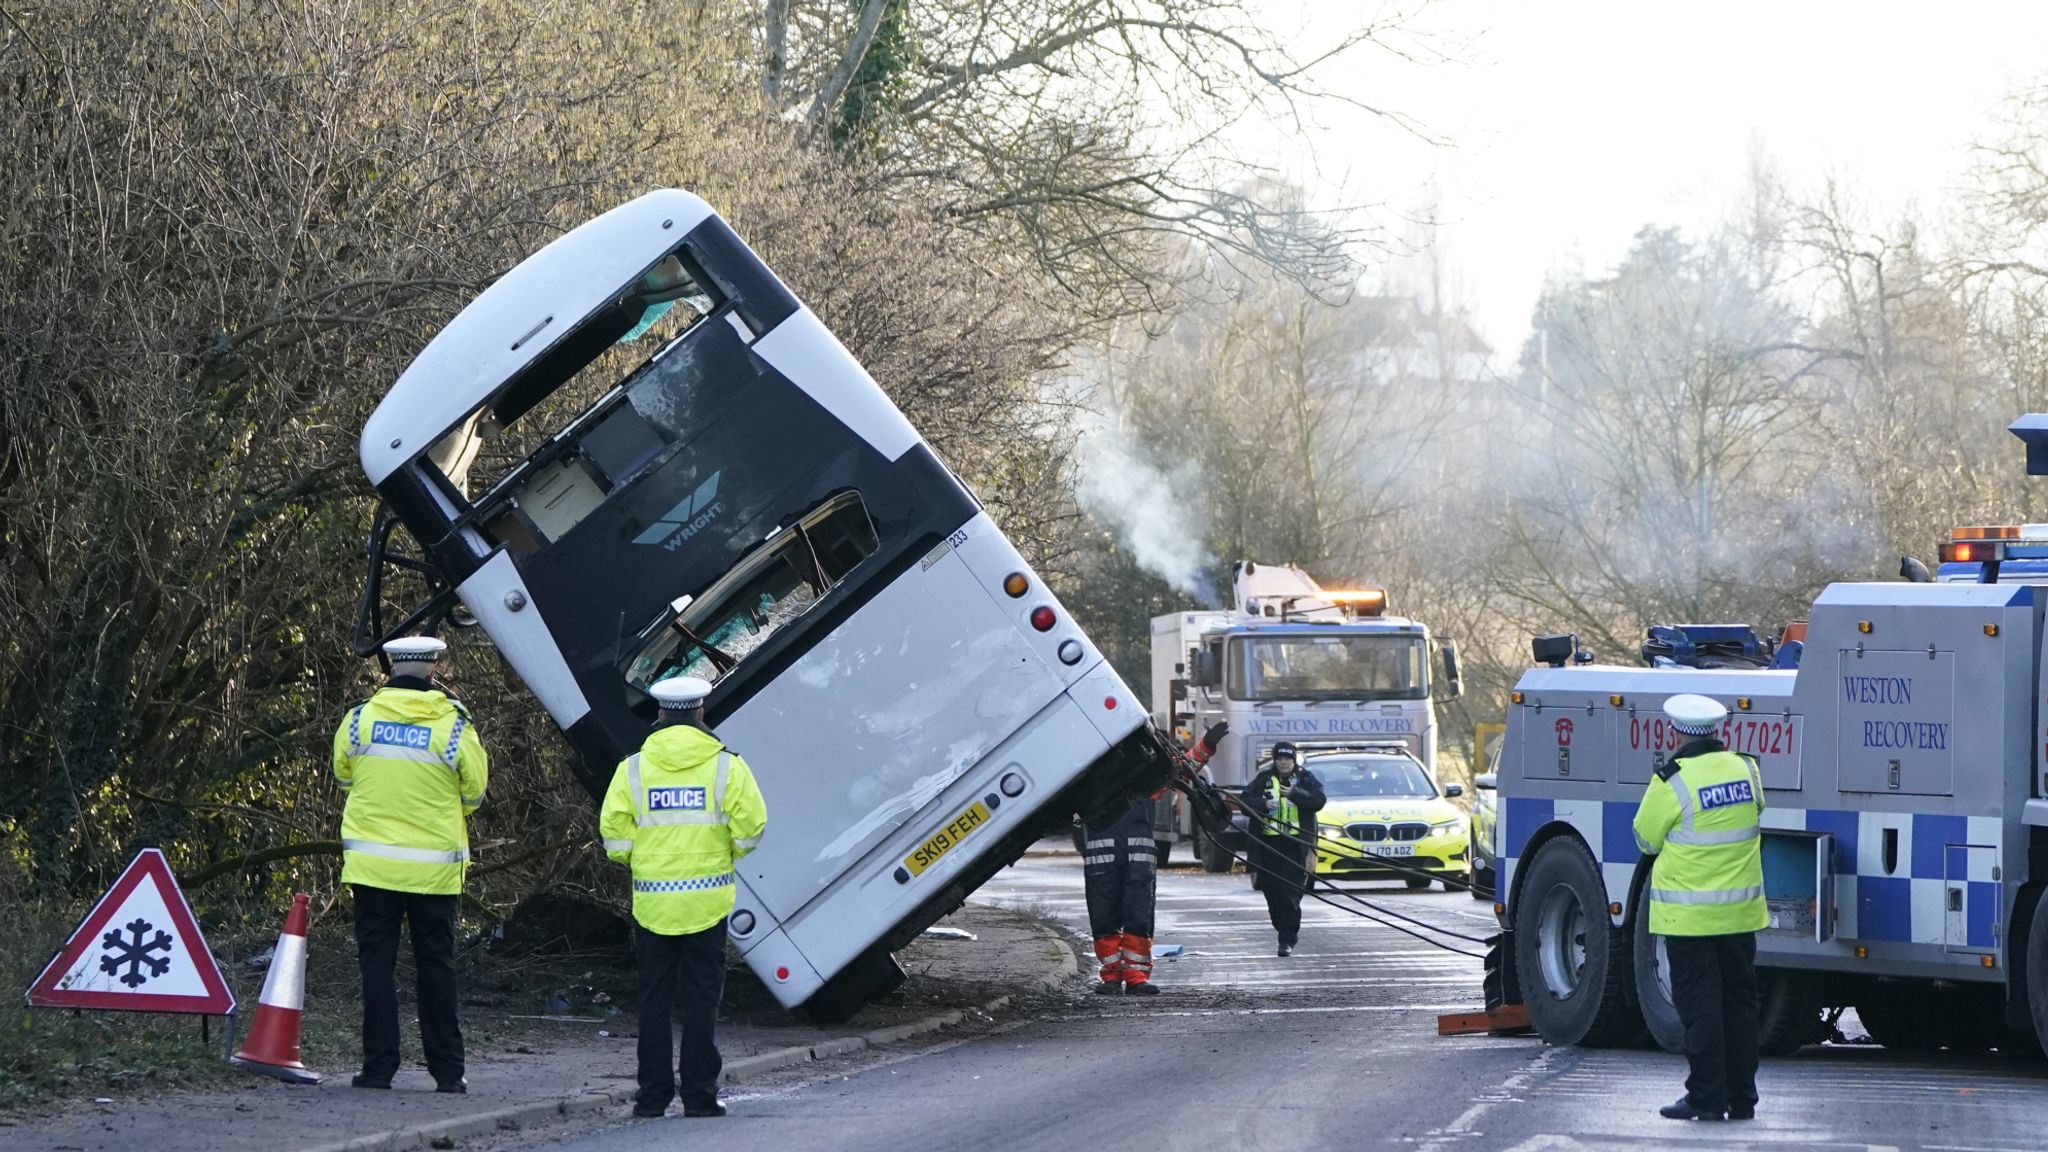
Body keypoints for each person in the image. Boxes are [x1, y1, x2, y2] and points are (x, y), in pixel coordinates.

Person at [601, 676, 768, 1120]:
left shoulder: (632, 769)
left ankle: (652, 1097)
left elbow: (615, 841)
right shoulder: (727, 767)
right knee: (701, 1003)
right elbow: (751, 830)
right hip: (707, 905)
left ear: (659, 714)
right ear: (700, 713)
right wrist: (723, 854)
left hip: (653, 905)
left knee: (654, 1001)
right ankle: (699, 1096)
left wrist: (646, 861)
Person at [333, 635, 487, 1093]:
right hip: (434, 873)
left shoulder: (359, 720)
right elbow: (475, 794)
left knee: (377, 969)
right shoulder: (454, 726)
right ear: (434, 671)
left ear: (390, 669)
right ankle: (448, 1074)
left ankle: (378, 1069)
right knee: (436, 969)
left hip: (372, 870)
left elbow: (344, 777)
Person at [1632, 693, 1766, 1123]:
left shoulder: (1672, 781)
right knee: (1740, 1005)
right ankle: (1743, 1099)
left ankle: (1706, 1098)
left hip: (1688, 918)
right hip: (1740, 915)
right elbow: (1756, 810)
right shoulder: (1746, 769)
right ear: (1718, 731)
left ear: (1676, 733)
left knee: (1701, 1008)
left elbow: (1646, 839)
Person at [1240, 741, 1326, 957]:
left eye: (1287, 759)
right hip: (1269, 846)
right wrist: (1262, 805)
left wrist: (1295, 794)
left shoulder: (1305, 778)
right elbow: (1243, 801)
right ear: (1275, 760)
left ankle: (1287, 940)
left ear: (1293, 760)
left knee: (1290, 892)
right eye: (1279, 759)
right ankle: (1282, 927)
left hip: (1296, 845)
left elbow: (1319, 800)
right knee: (1272, 892)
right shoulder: (1263, 779)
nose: (1283, 762)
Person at [1081, 795, 1161, 997]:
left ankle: (1136, 977)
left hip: (1133, 847)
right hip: (1106, 844)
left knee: (1139, 913)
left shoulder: (1144, 767)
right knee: (1103, 913)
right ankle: (1112, 976)